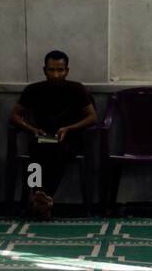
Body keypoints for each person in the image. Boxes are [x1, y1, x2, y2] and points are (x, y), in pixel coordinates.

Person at [10, 50, 97, 220]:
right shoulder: (34, 90)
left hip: (69, 138)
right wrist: (32, 129)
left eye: (60, 70)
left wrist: (69, 128)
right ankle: (40, 197)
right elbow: (14, 115)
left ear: (67, 70)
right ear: (44, 70)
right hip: (42, 137)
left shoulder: (76, 89)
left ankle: (41, 198)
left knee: (58, 151)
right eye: (52, 70)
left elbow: (92, 117)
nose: (56, 74)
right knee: (36, 154)